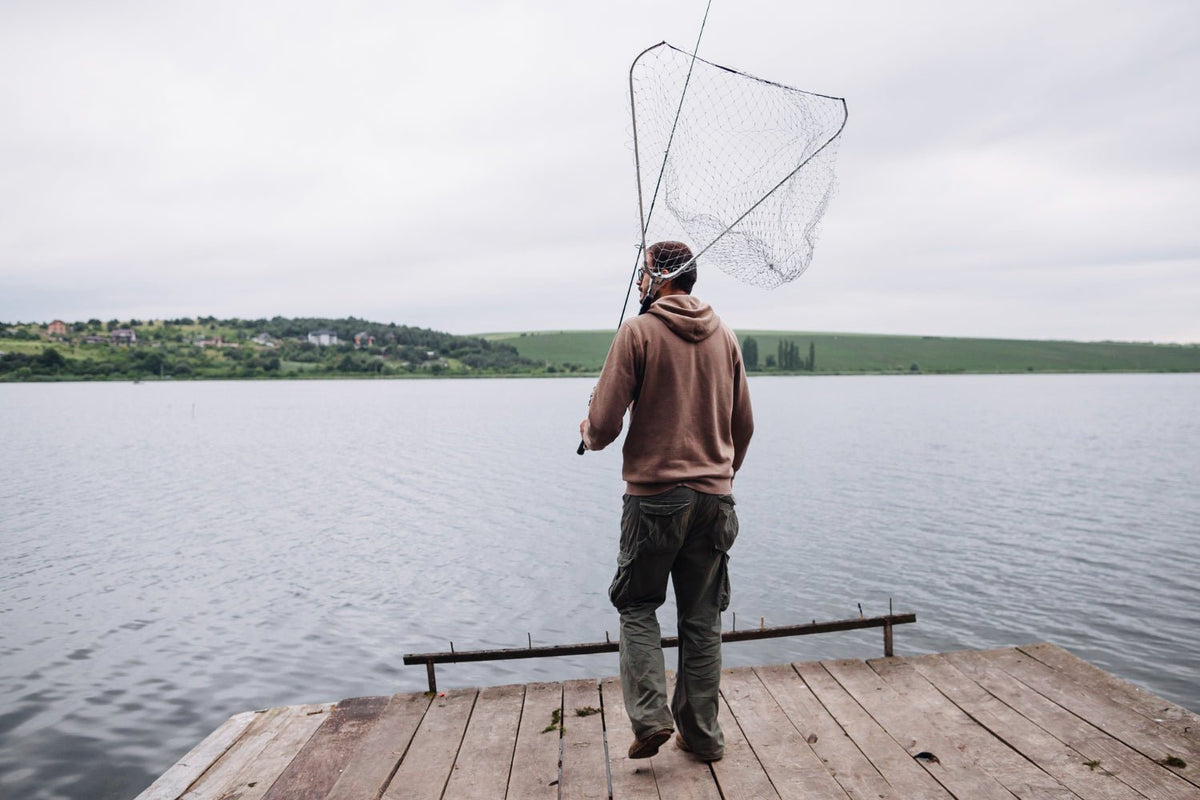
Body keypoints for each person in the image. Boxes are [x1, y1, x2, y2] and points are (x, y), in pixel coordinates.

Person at [579, 240, 753, 762]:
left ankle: (652, 719)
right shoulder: (725, 335)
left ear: (661, 279)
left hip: (655, 500)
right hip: (716, 500)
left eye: (641, 275)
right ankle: (700, 736)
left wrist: (587, 431)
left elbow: (606, 426)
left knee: (636, 604)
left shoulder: (637, 332)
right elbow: (743, 426)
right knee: (702, 619)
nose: (637, 284)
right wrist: (722, 475)